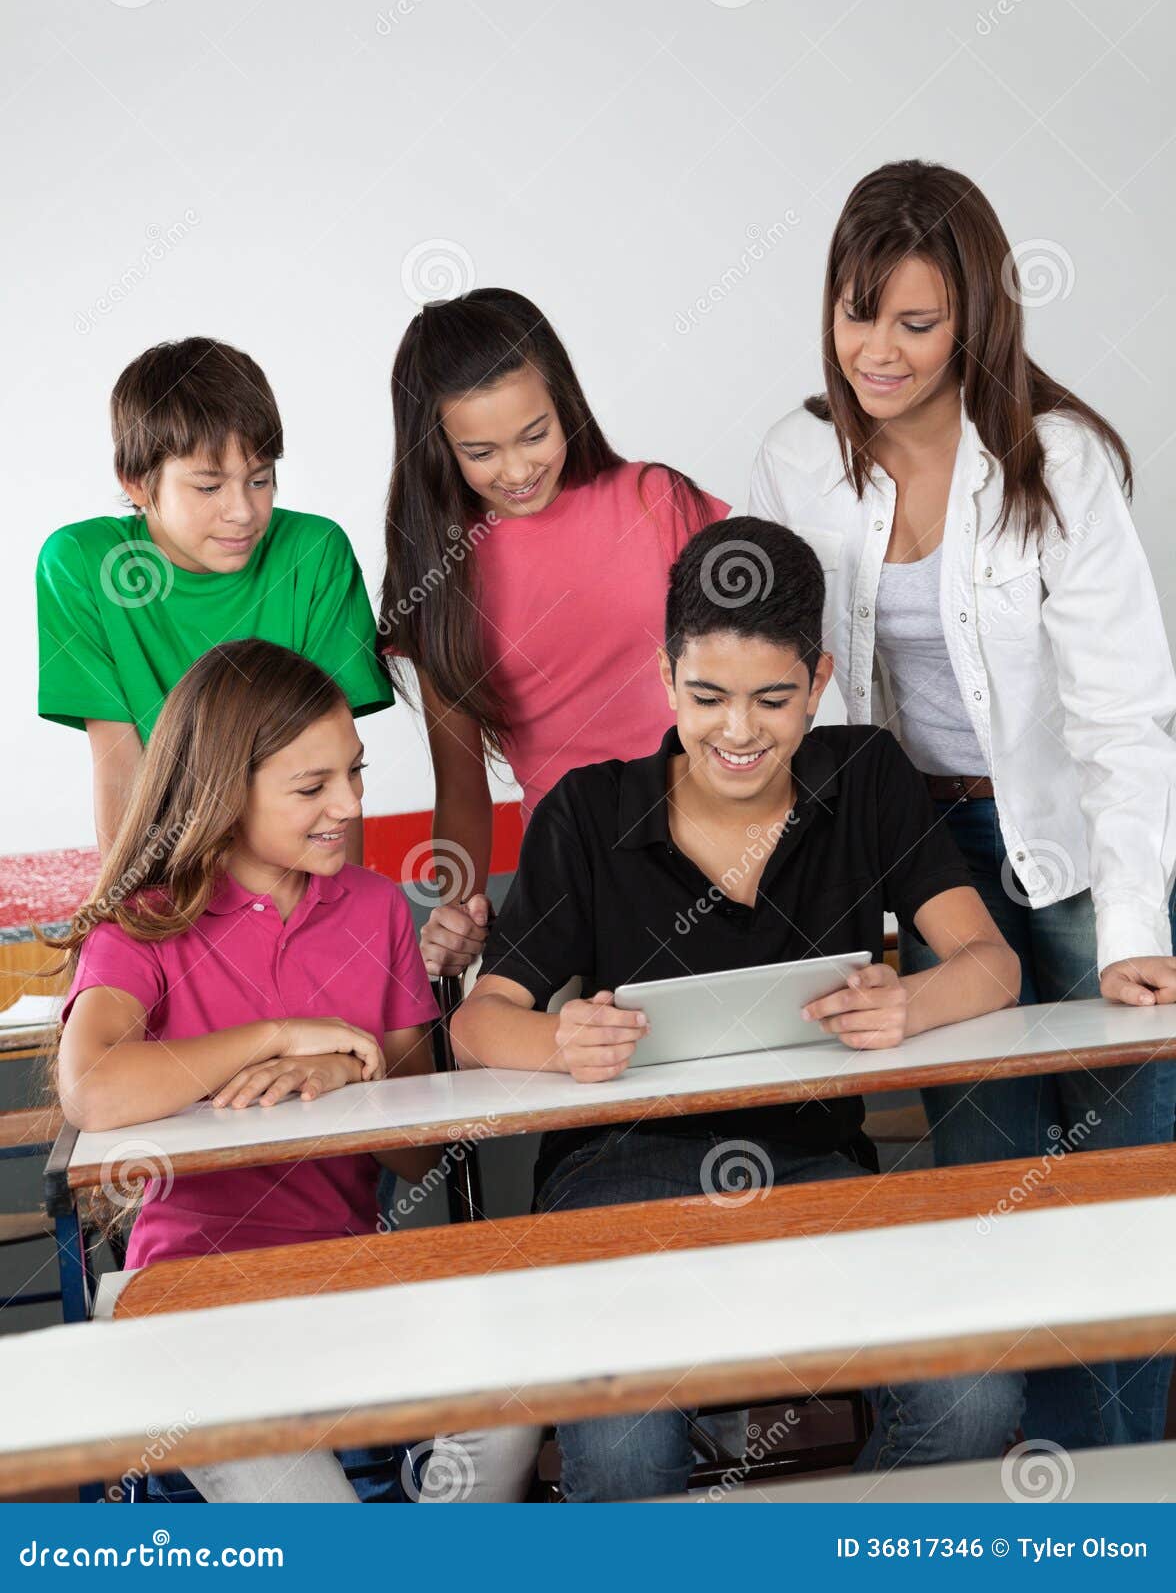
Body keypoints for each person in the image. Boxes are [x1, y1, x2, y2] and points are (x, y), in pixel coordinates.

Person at [447, 515, 1024, 1501]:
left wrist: (911, 1000)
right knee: (627, 1453)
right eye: (707, 697)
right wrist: (557, 1037)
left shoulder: (867, 775)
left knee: (974, 1397)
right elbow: (476, 1023)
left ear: (820, 680)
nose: (739, 732)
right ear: (666, 676)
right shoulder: (587, 812)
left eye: (774, 699)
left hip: (814, 1172)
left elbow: (990, 963)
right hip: (615, 1178)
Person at [749, 158, 1176, 1447]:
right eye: (855, 311)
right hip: (921, 858)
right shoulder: (795, 457)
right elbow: (789, 694)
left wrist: (1137, 925)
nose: (876, 351)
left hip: (1082, 854)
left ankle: (1116, 1502)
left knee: (1116, 1200)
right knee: (995, 1191)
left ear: (977, 319)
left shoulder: (1065, 462)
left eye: (915, 323)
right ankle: (1030, 1501)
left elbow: (1122, 712)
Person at [53, 639, 436, 1501]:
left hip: (348, 1281)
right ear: (226, 792)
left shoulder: (377, 908)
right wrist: (275, 1035)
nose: (350, 803)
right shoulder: (143, 924)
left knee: (513, 1421)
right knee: (313, 1513)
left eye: (355, 772)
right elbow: (95, 1087)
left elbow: (421, 1151)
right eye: (312, 787)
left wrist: (349, 1068)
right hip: (187, 1295)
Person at [378, 288, 728, 977]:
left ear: (565, 404)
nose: (517, 470)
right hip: (576, 879)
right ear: (438, 448)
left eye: (535, 435)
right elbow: (462, 786)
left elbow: (749, 684)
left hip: (722, 846)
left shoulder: (657, 501)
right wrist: (459, 907)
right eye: (481, 451)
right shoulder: (440, 579)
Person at [37, 337, 393, 858]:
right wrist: (129, 909)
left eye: (259, 479)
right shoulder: (80, 564)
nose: (242, 512)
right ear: (137, 483)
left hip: (295, 864)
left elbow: (330, 771)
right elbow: (118, 761)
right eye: (208, 487)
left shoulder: (314, 554)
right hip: (168, 864)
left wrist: (345, 919)